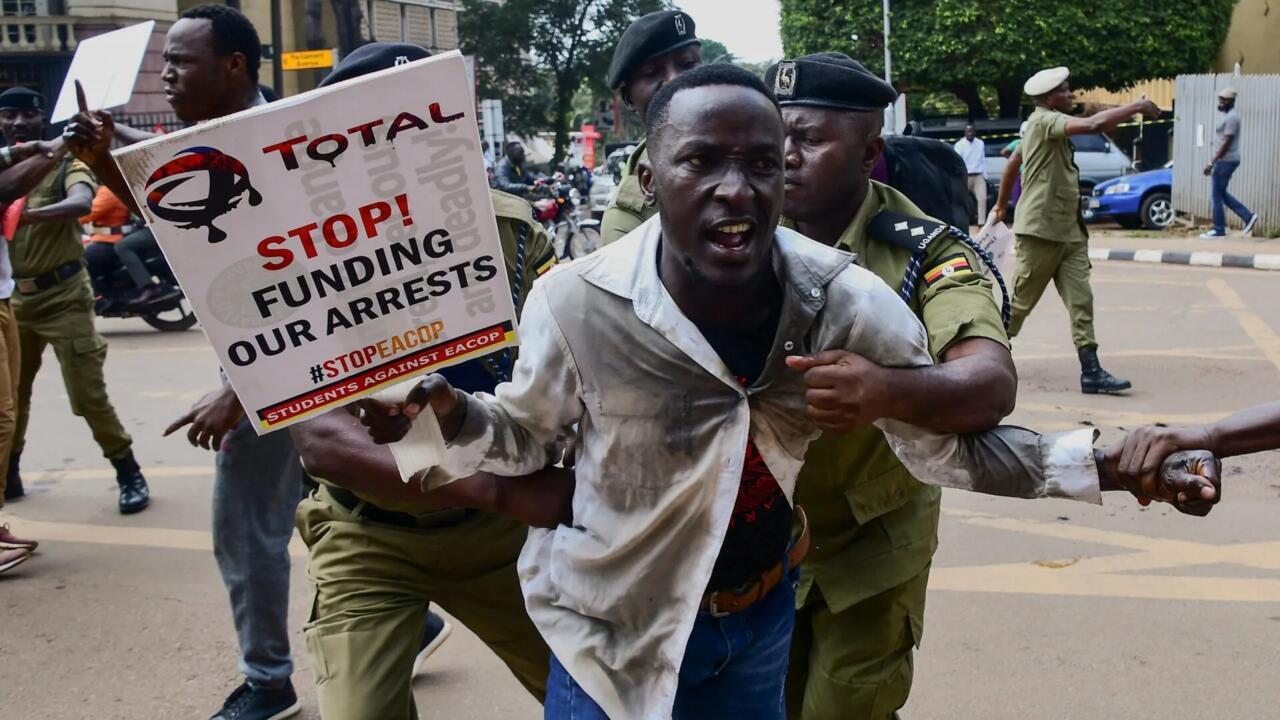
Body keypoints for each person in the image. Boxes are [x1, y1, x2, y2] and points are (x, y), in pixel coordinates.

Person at [360, 64, 1217, 720]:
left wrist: (1116, 468)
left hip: (758, 620)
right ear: (650, 180)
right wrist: (443, 421)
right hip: (609, 630)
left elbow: (947, 439)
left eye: (762, 163)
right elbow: (523, 437)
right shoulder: (578, 301)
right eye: (701, 161)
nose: (738, 188)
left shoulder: (843, 298)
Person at [284, 42, 561, 720]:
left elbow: (563, 382)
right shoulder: (291, 248)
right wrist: (494, 486)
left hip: (499, 535)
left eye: (428, 121)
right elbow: (323, 443)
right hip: (371, 535)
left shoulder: (515, 233)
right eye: (376, 130)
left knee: (596, 696)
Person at [766, 52, 1008, 719]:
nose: (785, 156)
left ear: (869, 151)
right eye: (776, 136)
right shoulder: (738, 236)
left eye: (809, 139)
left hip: (869, 542)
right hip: (761, 540)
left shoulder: (924, 253)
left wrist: (882, 391)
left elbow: (988, 382)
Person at [0, 86, 149, 514]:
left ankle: (127, 469)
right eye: (7, 116)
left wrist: (30, 215)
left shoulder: (62, 161)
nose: (16, 124)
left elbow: (82, 201)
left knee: (87, 396)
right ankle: (9, 473)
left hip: (64, 297)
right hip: (16, 302)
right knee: (12, 399)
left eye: (25, 115)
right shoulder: (6, 168)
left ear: (39, 116)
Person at [992, 67, 1158, 395]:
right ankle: (980, 357)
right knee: (1020, 305)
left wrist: (1000, 205)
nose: (1071, 95)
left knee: (1082, 302)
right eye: (1065, 91)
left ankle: (1091, 371)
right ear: (1047, 98)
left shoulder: (1044, 127)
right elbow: (1095, 124)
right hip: (1040, 230)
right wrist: (1136, 107)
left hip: (1070, 232)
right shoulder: (1044, 120)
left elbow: (1013, 162)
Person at [598, 9, 702, 245]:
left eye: (687, 63)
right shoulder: (626, 220)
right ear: (628, 98)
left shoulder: (762, 154)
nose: (674, 79)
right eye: (650, 72)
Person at [1200, 87, 1257, 239]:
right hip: (1226, 160)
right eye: (1220, 99)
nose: (1221, 102)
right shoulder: (1228, 116)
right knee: (1221, 194)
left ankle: (1219, 230)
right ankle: (1248, 217)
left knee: (1216, 196)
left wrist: (1212, 162)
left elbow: (1226, 143)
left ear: (1231, 101)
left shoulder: (1232, 117)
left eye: (1224, 100)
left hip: (1226, 161)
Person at [953, 124, 986, 222]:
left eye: (972, 131)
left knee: (982, 199)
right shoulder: (959, 145)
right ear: (965, 133)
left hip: (978, 175)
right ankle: (962, 221)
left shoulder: (980, 143)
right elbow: (957, 161)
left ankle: (981, 223)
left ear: (974, 132)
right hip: (965, 176)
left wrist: (985, 176)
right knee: (961, 200)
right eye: (968, 131)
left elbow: (983, 159)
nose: (970, 133)